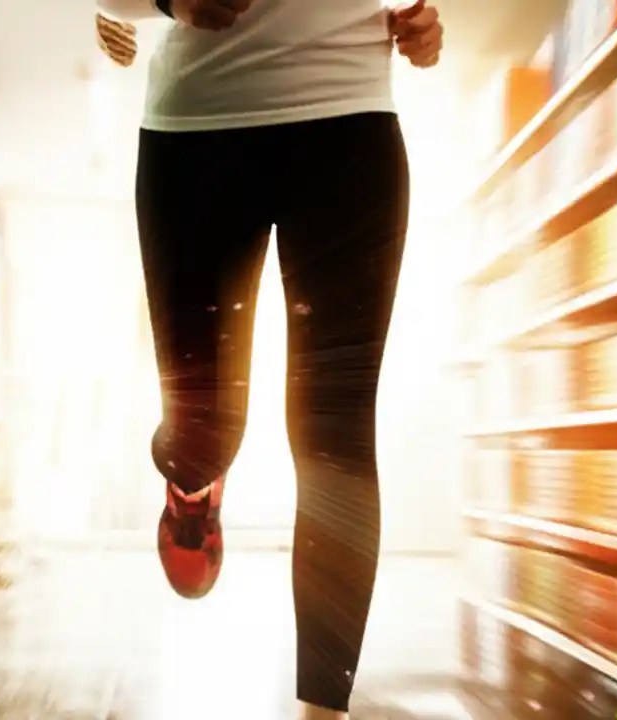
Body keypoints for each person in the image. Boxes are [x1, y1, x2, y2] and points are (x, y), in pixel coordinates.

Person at [94, 1, 444, 717]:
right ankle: (193, 485)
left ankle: (322, 708)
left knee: (334, 436)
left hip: (351, 127)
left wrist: (421, 14)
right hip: (197, 134)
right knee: (203, 434)